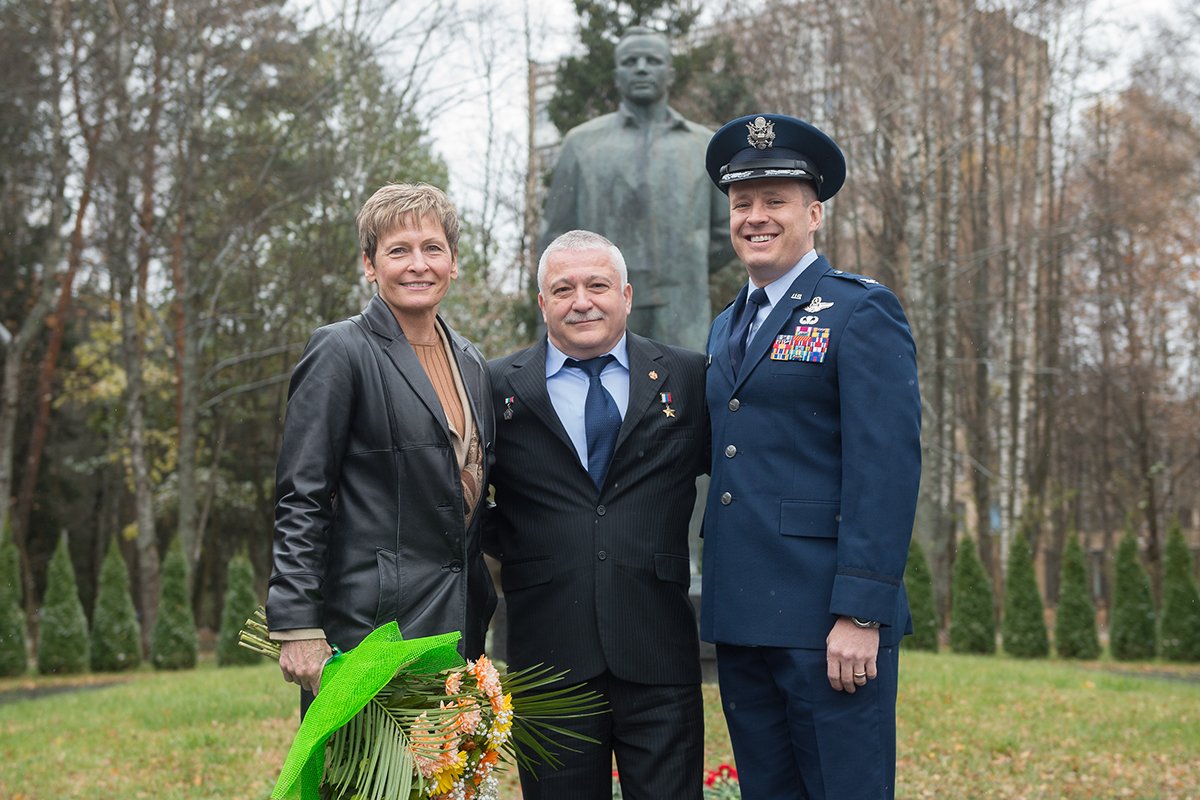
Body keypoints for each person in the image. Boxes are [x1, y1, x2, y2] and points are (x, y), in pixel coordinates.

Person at [700, 114, 922, 800]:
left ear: (814, 213)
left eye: (776, 202)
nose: (756, 218)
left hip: (827, 624)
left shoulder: (859, 312)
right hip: (744, 621)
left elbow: (885, 469)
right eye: (743, 204)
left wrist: (860, 613)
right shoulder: (727, 324)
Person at [486, 230, 708, 800]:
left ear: (627, 296)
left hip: (658, 649)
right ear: (543, 303)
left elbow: (741, 483)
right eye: (563, 288)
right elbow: (461, 501)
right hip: (549, 658)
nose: (581, 300)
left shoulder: (686, 376)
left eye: (597, 285)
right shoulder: (498, 388)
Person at [267, 183, 496, 712]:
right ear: (370, 266)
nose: (419, 264)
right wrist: (298, 622)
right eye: (398, 251)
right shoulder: (340, 351)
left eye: (432, 249)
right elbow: (302, 495)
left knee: (446, 792)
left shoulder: (472, 361)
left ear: (454, 262)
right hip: (371, 630)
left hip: (458, 631)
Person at [539, 26, 733, 352]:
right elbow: (555, 234)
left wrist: (687, 260)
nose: (641, 67)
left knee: (685, 395)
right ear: (617, 75)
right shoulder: (583, 144)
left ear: (669, 74)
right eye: (631, 61)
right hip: (596, 305)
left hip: (681, 306)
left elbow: (726, 228)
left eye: (652, 60)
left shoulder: (703, 145)